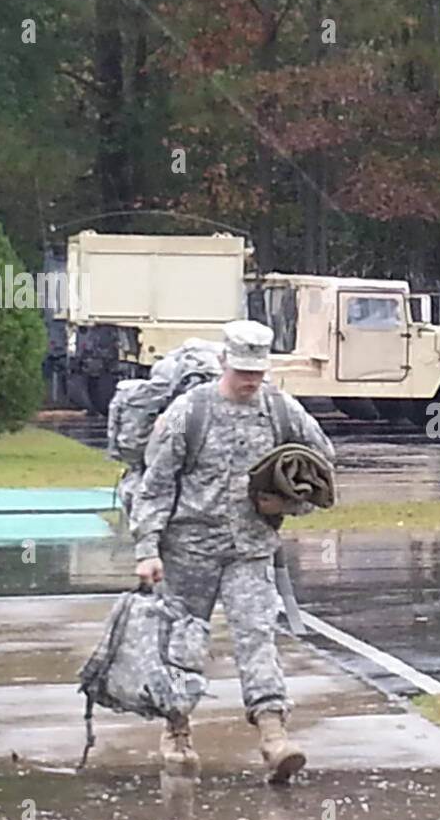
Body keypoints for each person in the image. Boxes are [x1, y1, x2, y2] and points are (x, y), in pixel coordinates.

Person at [131, 319, 335, 782]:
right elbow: (155, 484)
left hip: (251, 549)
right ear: (223, 362)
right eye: (242, 371)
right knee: (182, 643)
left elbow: (322, 464)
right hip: (188, 549)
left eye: (258, 373)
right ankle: (176, 731)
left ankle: (273, 737)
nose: (249, 381)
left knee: (257, 636)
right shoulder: (190, 411)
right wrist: (148, 548)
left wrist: (290, 501)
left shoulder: (283, 410)